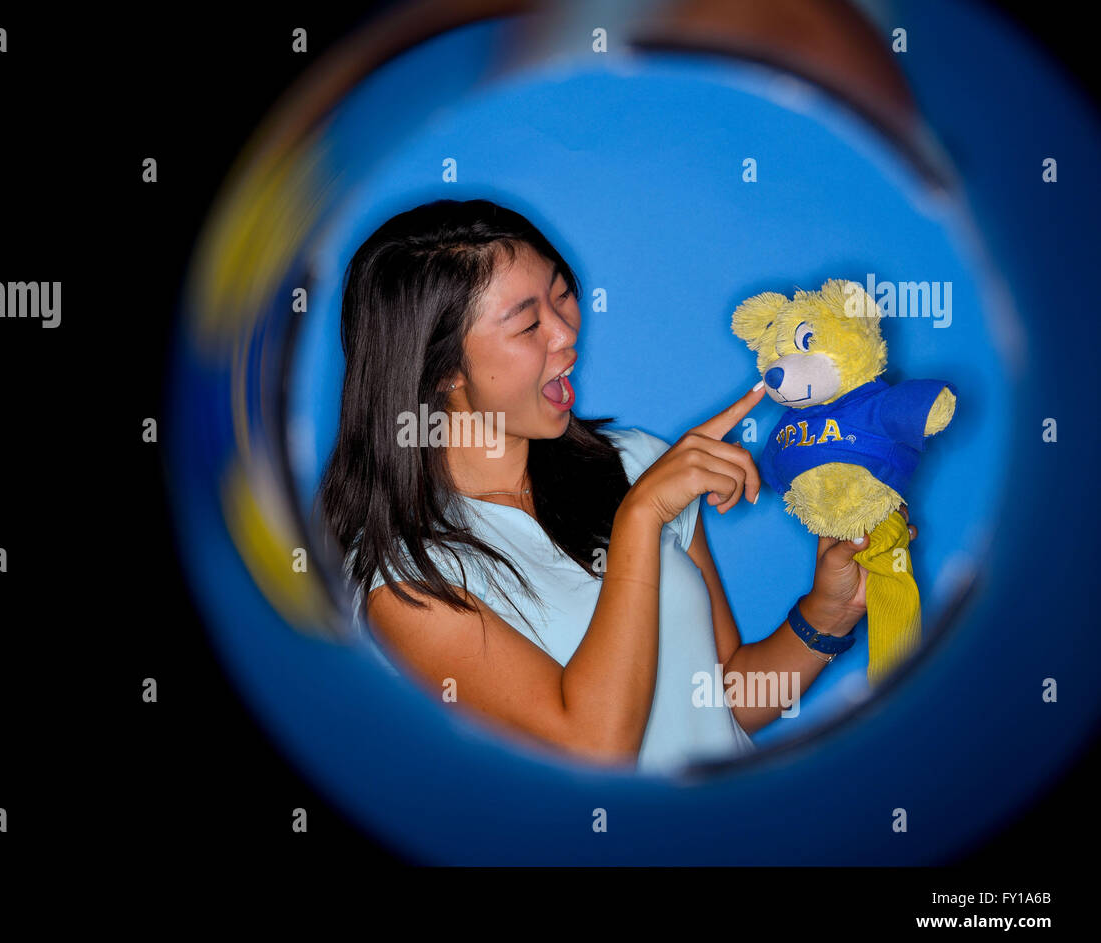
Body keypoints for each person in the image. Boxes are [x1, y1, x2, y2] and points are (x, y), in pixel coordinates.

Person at [317, 198, 916, 774]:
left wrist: (828, 615)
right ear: (441, 369)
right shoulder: (405, 578)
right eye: (528, 324)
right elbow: (592, 749)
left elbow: (721, 698)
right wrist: (640, 518)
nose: (565, 333)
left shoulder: (636, 461)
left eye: (562, 295)